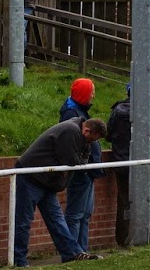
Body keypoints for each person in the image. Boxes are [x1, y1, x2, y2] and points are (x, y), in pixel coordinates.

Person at [12, 116, 107, 264]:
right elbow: (71, 160)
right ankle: (19, 261)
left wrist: (78, 159)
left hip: (46, 181)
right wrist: (77, 161)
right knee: (24, 221)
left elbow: (83, 158)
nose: (91, 143)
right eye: (91, 140)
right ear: (87, 130)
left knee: (57, 220)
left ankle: (72, 254)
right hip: (31, 177)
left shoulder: (78, 133)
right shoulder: (71, 131)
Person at [58, 78, 103, 254]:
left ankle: (81, 251)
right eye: (91, 91)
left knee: (84, 215)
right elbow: (73, 143)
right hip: (81, 171)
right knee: (76, 214)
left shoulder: (77, 111)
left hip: (87, 170)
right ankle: (73, 252)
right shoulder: (72, 114)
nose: (93, 95)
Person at [104, 86, 133, 249]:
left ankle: (122, 238)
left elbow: (108, 135)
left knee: (124, 200)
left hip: (121, 162)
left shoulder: (118, 110)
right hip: (145, 164)